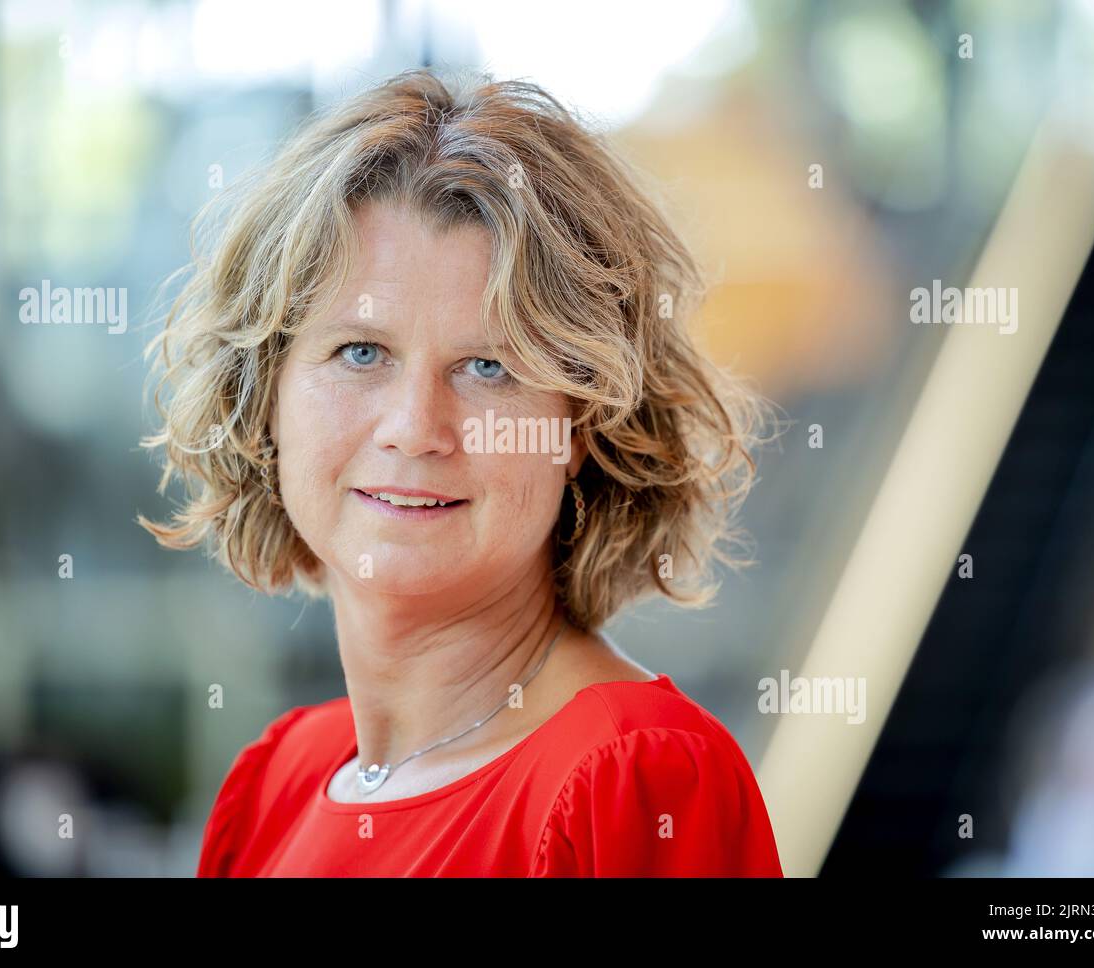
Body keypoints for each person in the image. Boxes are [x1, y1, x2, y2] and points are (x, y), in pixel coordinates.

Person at [139, 67, 782, 877]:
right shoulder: (278, 785)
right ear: (265, 397)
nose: (415, 430)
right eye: (361, 352)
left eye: (488, 367)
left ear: (581, 425)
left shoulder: (635, 777)